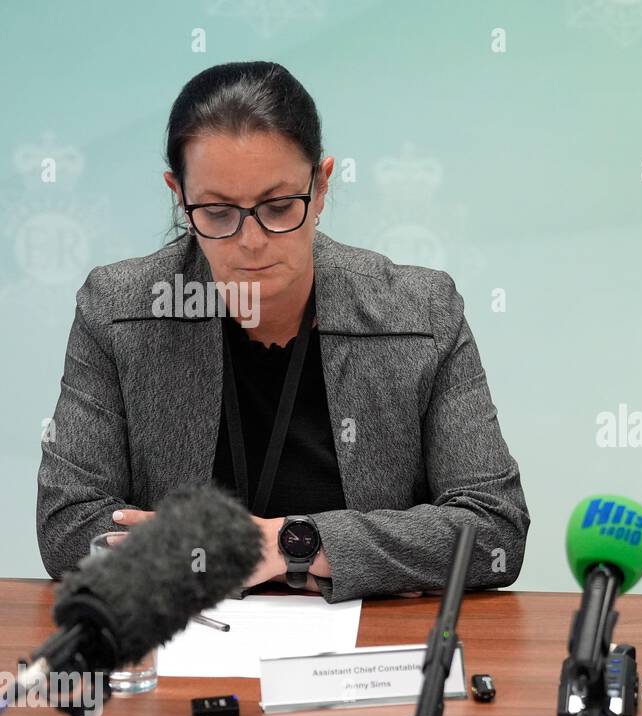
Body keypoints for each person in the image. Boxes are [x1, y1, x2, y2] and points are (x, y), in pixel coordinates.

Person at [37, 61, 529, 602]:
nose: (250, 241)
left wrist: (293, 544)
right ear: (179, 195)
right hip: (183, 649)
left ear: (320, 187)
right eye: (218, 212)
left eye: (277, 207)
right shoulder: (116, 310)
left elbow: (493, 529)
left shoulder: (421, 312)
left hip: (368, 660)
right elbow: (67, 527)